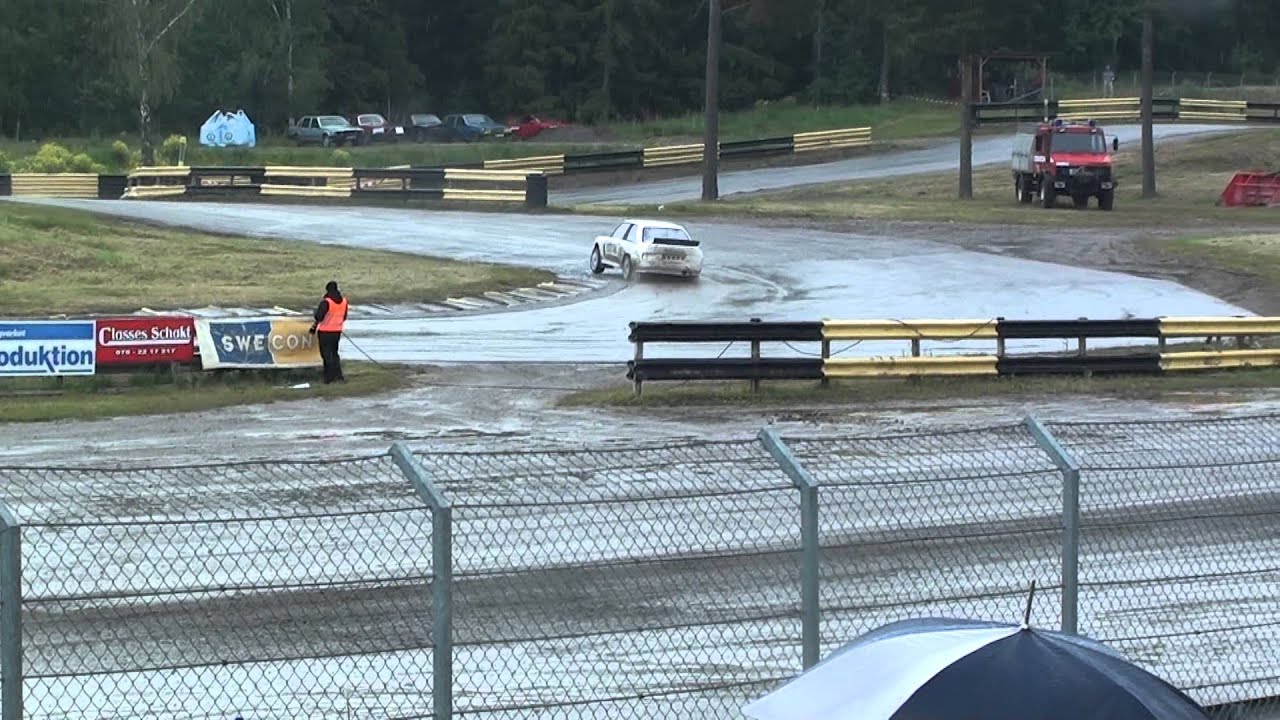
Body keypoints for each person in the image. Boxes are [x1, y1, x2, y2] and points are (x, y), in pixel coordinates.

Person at [309, 280, 348, 383]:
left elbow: (319, 317)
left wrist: (316, 313)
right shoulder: (344, 301)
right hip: (337, 331)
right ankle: (338, 376)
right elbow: (344, 317)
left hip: (325, 331)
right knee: (334, 354)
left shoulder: (326, 302)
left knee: (326, 355)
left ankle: (329, 378)